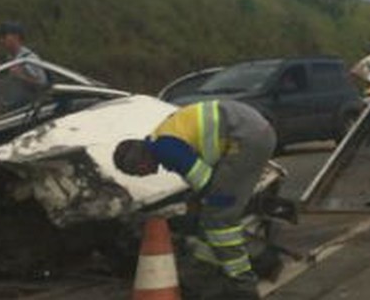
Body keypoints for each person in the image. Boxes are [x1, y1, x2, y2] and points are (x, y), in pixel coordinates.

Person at [113, 99, 276, 299]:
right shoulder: (162, 140)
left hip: (244, 139)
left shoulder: (166, 149)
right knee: (210, 214)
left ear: (140, 164)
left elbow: (208, 186)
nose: (145, 175)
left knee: (219, 219)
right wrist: (195, 201)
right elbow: (205, 181)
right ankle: (206, 272)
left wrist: (195, 205)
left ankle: (243, 286)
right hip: (252, 132)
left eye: (139, 173)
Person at [0, 21, 48, 111]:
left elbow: (42, 84)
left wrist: (21, 76)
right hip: (14, 110)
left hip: (31, 110)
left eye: (4, 36)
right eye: (0, 37)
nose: (1, 40)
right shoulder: (9, 58)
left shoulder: (29, 58)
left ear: (16, 37)